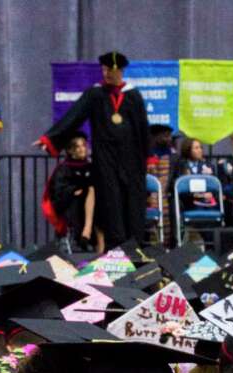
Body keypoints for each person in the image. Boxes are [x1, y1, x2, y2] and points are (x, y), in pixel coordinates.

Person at [35, 51, 148, 251]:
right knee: (111, 203)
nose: (106, 74)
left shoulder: (133, 96)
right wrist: (50, 139)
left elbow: (142, 129)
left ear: (120, 71)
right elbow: (74, 116)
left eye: (110, 70)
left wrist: (149, 156)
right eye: (103, 69)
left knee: (132, 202)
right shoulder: (95, 94)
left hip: (130, 159)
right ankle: (115, 250)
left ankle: (136, 249)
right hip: (106, 160)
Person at [41, 132, 96, 249]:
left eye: (84, 146)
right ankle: (75, 238)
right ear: (70, 150)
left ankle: (89, 236)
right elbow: (57, 191)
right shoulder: (64, 168)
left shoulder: (90, 166)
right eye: (78, 147)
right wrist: (73, 191)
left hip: (90, 207)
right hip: (71, 205)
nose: (82, 149)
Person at [147, 123, 177, 244]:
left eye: (170, 136)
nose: (169, 139)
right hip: (149, 196)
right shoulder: (147, 155)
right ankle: (153, 245)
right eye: (165, 136)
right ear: (155, 137)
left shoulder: (174, 156)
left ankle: (168, 244)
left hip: (167, 195)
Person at [176, 137, 217, 213]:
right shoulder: (181, 165)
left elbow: (215, 186)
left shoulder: (208, 165)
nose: (200, 150)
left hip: (207, 200)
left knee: (214, 208)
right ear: (188, 150)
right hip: (189, 200)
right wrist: (198, 195)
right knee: (198, 208)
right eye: (196, 148)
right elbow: (180, 188)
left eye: (200, 147)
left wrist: (210, 193)